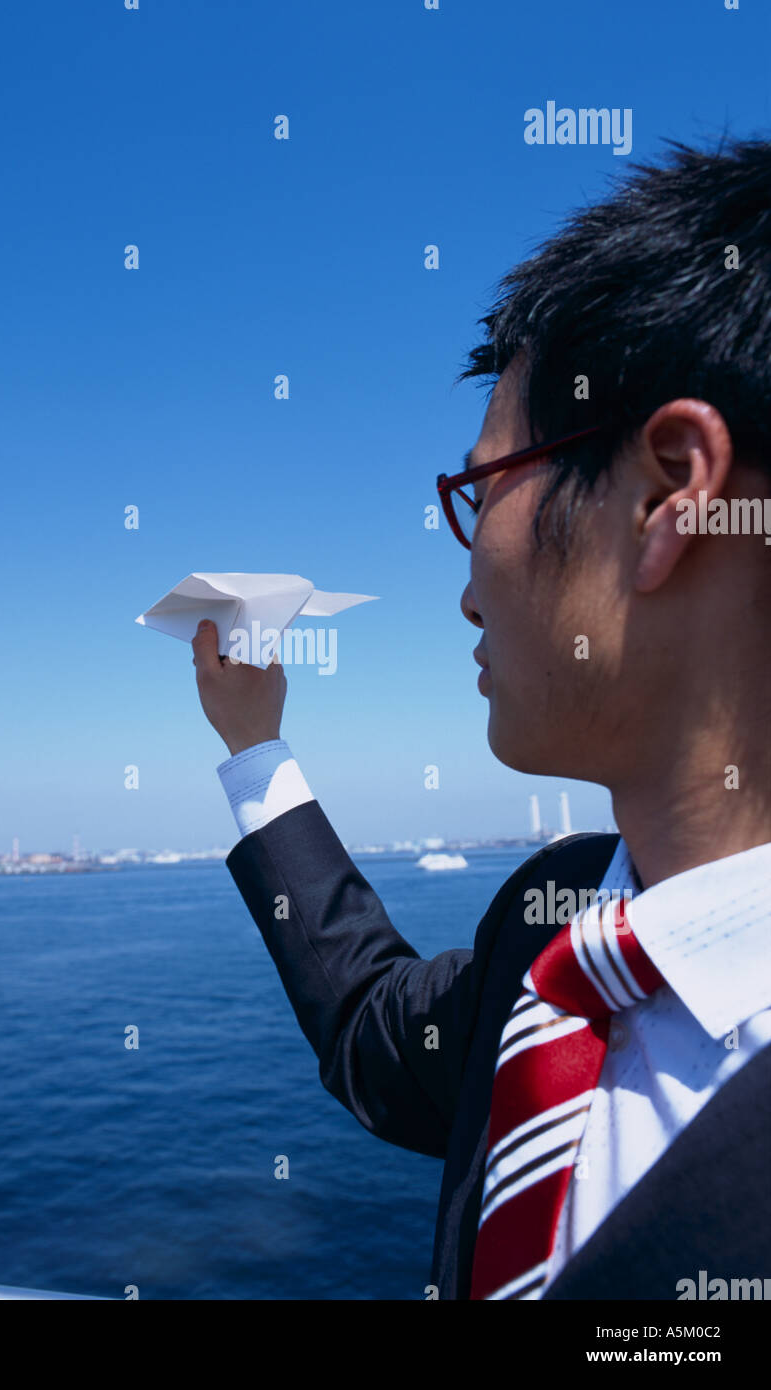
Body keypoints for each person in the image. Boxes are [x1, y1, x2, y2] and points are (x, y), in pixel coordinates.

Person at [190, 135, 771, 1300]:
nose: (463, 585)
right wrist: (256, 746)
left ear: (666, 494)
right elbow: (372, 1030)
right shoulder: (551, 934)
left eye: (481, 491)